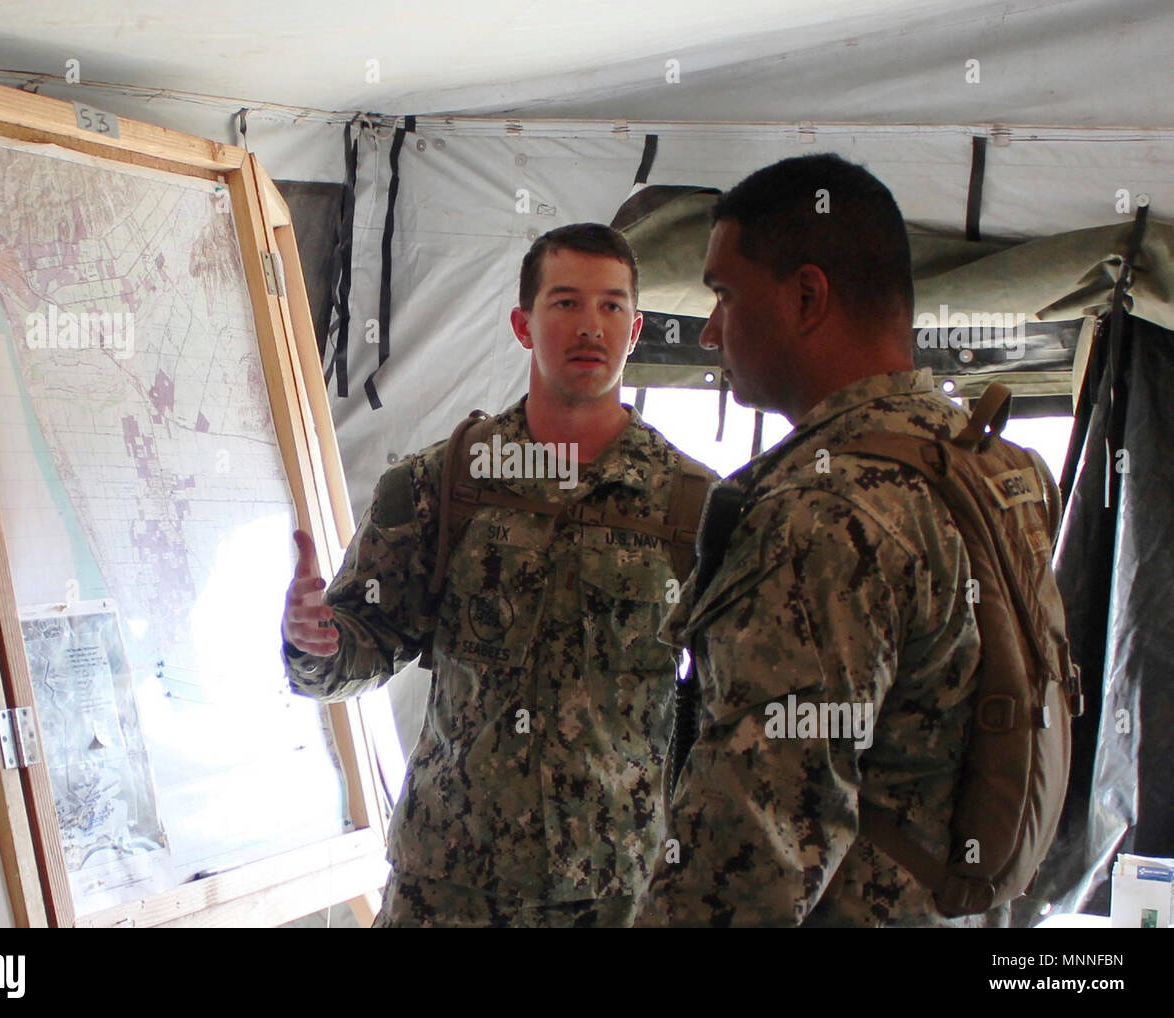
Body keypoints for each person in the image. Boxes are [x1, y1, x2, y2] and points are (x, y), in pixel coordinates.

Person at [282, 223, 716, 927]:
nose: (590, 326)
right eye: (565, 302)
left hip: (614, 894)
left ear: (635, 331)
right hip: (447, 887)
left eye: (611, 306)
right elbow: (366, 642)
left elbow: (735, 705)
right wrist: (317, 641)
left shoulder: (693, 506)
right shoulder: (441, 483)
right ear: (523, 325)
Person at [633, 153, 1006, 927]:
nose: (710, 331)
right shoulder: (984, 463)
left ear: (807, 296)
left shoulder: (822, 514)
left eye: (724, 295)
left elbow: (747, 857)